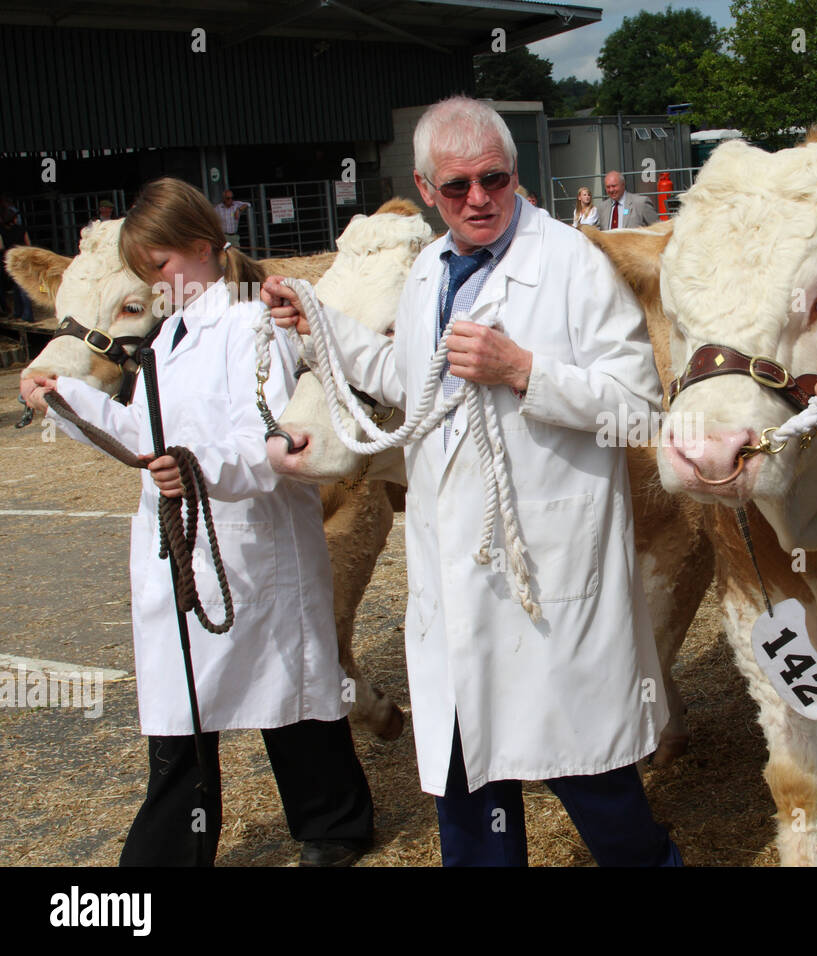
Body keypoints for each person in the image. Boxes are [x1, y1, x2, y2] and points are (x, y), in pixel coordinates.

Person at [261, 96, 680, 867]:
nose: (480, 199)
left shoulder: (570, 264)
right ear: (426, 190)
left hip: (547, 576)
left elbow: (639, 406)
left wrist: (525, 372)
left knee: (591, 778)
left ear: (516, 173)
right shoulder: (430, 269)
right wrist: (320, 321)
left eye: (495, 178)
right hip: (452, 581)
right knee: (466, 783)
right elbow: (409, 379)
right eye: (458, 187)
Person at [21, 177, 374, 868]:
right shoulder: (165, 338)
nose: (155, 283)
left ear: (205, 247)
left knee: (292, 693)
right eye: (145, 272)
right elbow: (140, 435)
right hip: (184, 546)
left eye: (161, 266)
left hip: (254, 541)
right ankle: (174, 852)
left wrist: (194, 467)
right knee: (182, 705)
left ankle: (334, 823)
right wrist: (64, 399)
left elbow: (270, 442)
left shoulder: (253, 325)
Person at [0, 195, 34, 322]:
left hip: (10, 261)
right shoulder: (21, 230)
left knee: (17, 287)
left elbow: (1, 247)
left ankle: (20, 313)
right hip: (22, 259)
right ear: (14, 219)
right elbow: (28, 244)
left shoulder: (2, 231)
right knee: (22, 287)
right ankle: (25, 314)